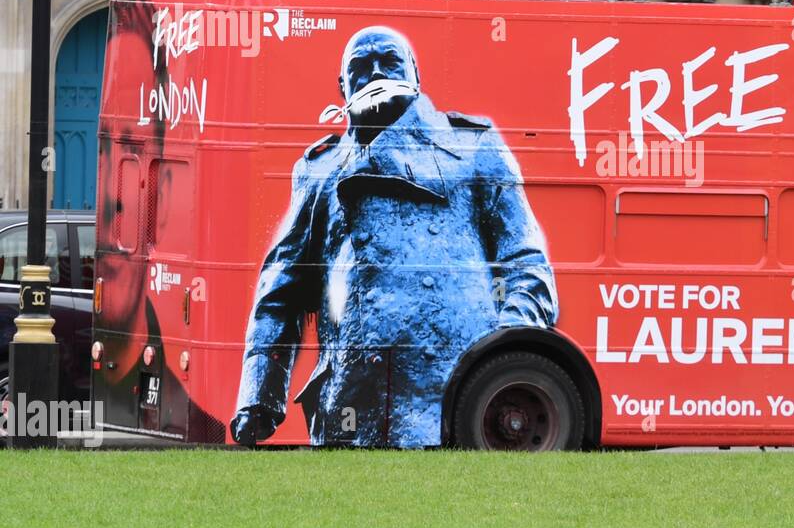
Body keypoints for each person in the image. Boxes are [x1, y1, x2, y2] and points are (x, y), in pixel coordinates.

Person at [229, 26, 557, 447]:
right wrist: (259, 396)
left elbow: (526, 264)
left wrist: (499, 360)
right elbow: (280, 289)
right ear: (343, 86)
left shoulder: (474, 146)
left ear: (415, 74)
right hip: (353, 394)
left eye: (390, 62)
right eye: (361, 68)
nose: (377, 74)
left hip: (452, 388)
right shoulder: (319, 170)